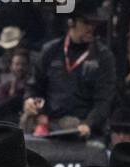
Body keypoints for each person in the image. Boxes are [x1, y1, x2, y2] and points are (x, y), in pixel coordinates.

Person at [25, 5, 115, 140]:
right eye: (86, 23)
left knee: (73, 125)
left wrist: (89, 124)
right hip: (50, 121)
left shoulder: (103, 56)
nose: (91, 28)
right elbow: (34, 86)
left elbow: (104, 100)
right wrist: (30, 100)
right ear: (71, 22)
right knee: (25, 120)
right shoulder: (50, 50)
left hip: (82, 124)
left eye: (93, 23)